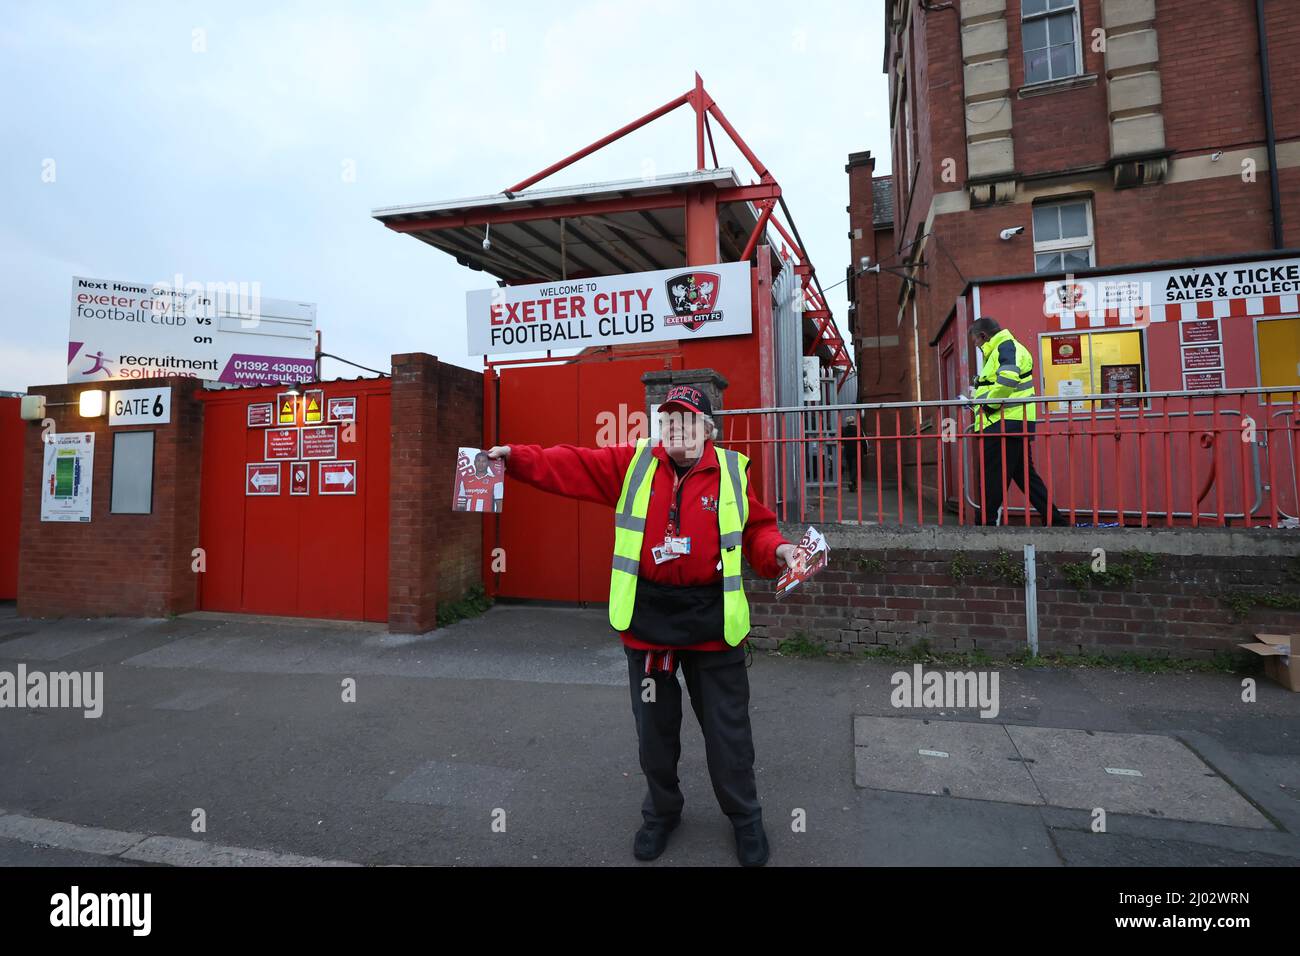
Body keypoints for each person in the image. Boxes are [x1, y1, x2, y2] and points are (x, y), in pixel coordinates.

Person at [486, 384, 802, 866]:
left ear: (707, 429)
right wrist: (516, 458)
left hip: (713, 623)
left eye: (687, 420)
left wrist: (778, 551)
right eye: (668, 420)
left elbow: (758, 530)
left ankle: (745, 818)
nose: (676, 428)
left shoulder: (733, 473)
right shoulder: (633, 466)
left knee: (728, 733)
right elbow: (570, 464)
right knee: (655, 731)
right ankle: (661, 814)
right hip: (649, 622)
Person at [967, 317, 1067, 527]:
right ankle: (1056, 521)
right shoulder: (1006, 348)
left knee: (992, 478)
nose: (977, 346)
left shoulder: (1005, 347)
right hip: (1013, 422)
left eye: (976, 341)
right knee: (1026, 477)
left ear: (984, 336)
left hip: (1001, 423)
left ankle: (983, 526)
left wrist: (988, 405)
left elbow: (1008, 379)